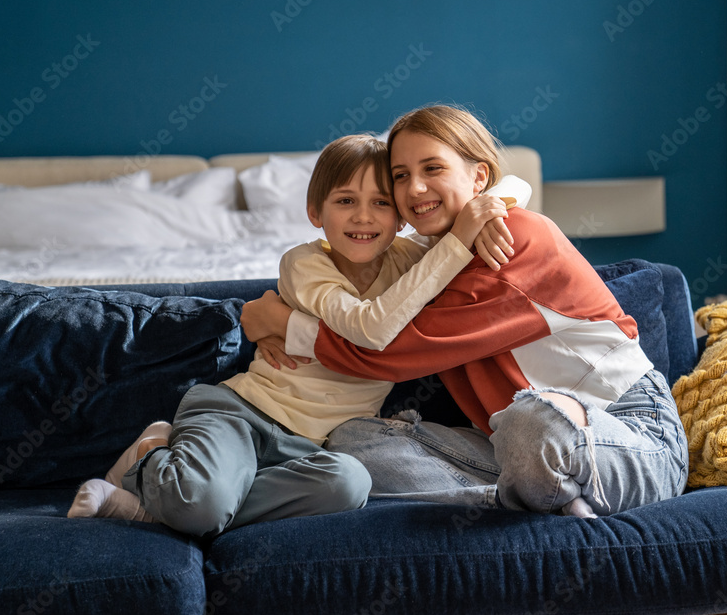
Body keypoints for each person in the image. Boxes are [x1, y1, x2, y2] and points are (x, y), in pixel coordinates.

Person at [67, 133, 528, 537]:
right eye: (345, 200)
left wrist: (488, 208)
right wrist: (459, 238)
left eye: (381, 203)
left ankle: (176, 503)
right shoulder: (305, 262)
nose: (363, 217)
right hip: (243, 413)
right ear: (315, 211)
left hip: (311, 449)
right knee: (200, 503)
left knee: (350, 483)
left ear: (402, 216)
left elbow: (517, 186)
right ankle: (151, 453)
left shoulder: (410, 261)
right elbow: (369, 328)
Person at [244, 105, 689, 519]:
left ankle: (527, 494)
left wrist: (285, 325)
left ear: (479, 179)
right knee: (355, 439)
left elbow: (389, 351)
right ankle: (523, 499)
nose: (414, 189)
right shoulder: (429, 260)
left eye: (432, 169)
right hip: (506, 449)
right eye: (400, 176)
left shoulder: (514, 239)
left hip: (626, 433)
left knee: (533, 420)